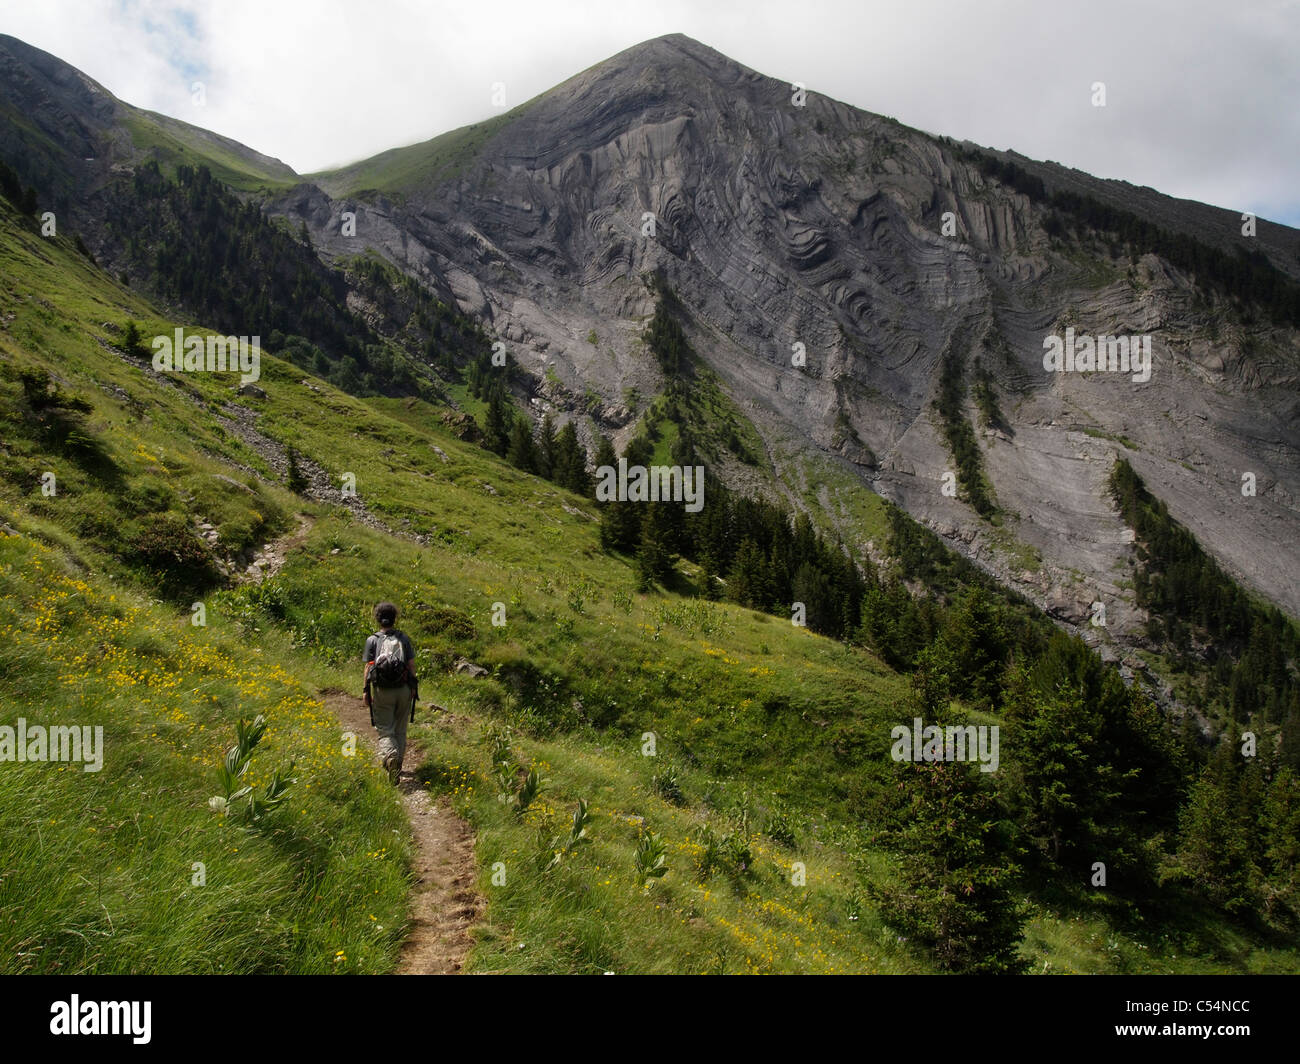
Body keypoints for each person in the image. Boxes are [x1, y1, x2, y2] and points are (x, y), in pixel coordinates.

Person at [363, 601, 418, 784]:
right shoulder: (403, 639)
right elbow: (411, 665)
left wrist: (365, 690)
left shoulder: (372, 640)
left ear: (378, 618)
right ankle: (398, 765)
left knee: (385, 729)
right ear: (394, 619)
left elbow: (369, 667)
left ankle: (390, 755)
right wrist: (413, 687)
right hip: (403, 689)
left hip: (382, 690)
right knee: (400, 729)